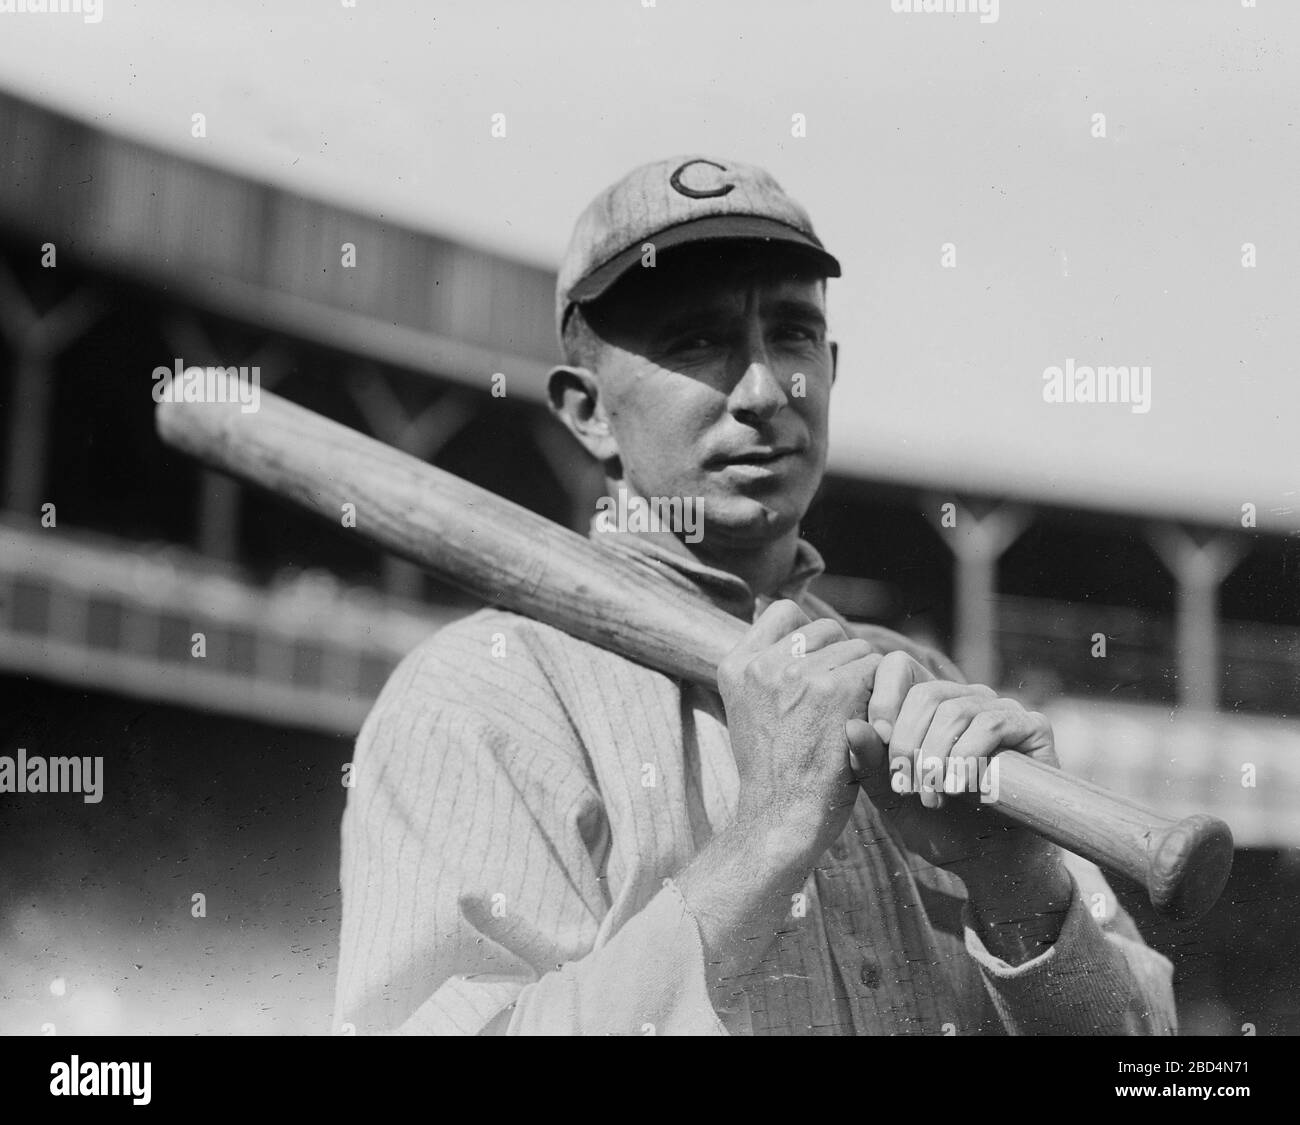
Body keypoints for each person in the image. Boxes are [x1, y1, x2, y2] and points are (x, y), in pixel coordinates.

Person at [333, 155, 1176, 1035]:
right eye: (695, 341)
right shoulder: (478, 694)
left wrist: (1020, 889)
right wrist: (766, 836)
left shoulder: (919, 683)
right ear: (587, 411)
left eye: (794, 335)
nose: (767, 391)